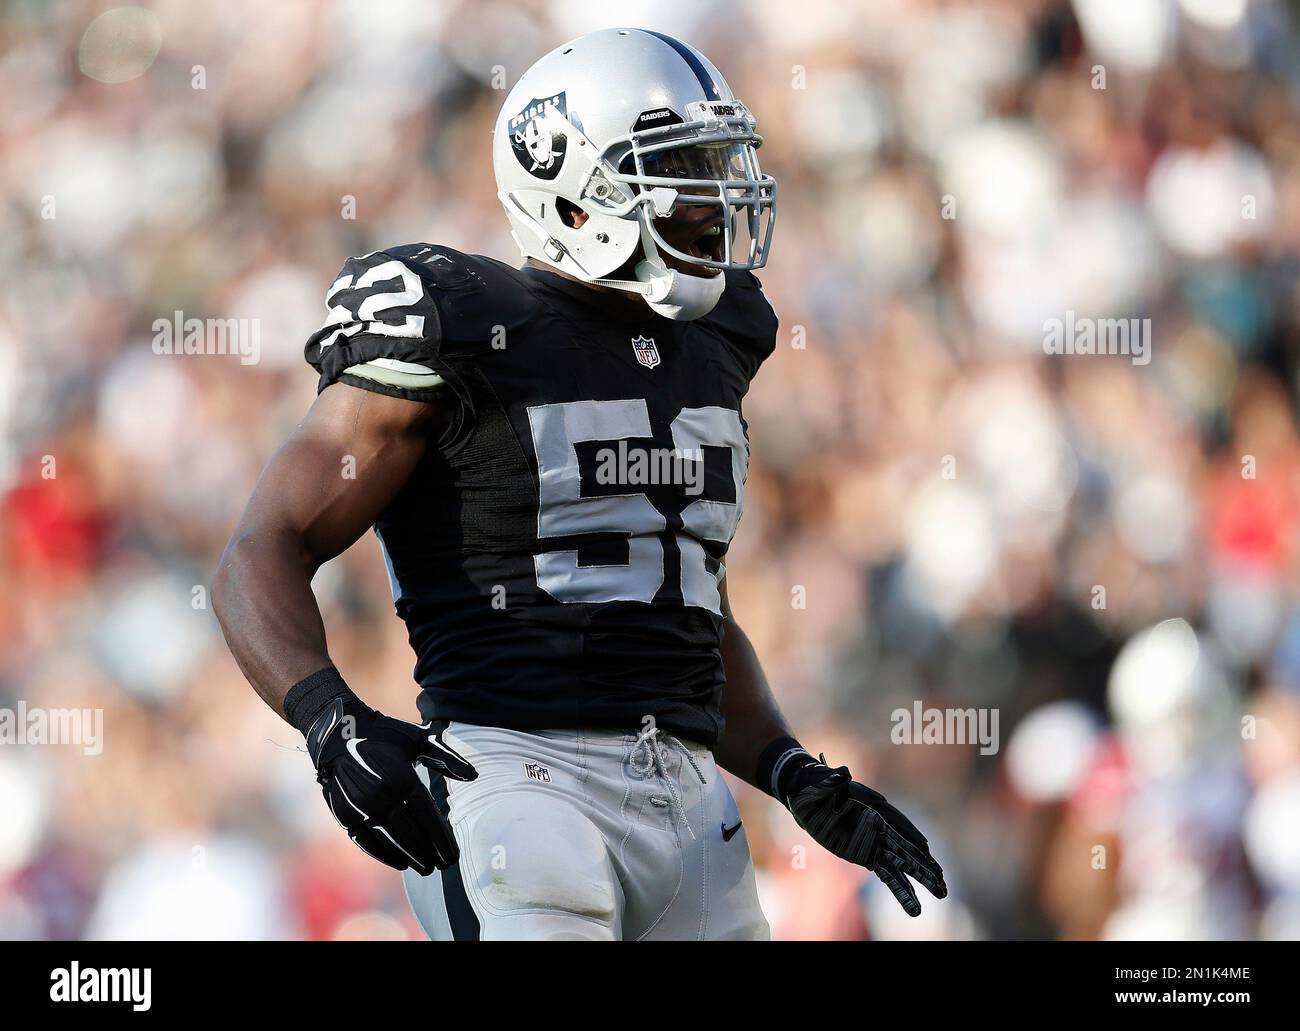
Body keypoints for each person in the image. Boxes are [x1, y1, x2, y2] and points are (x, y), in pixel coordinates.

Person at [213, 26, 945, 941]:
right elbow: (262, 547)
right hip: (518, 785)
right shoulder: (459, 322)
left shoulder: (716, 340)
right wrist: (329, 720)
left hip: (690, 801)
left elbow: (683, 608)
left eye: (718, 164)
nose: (717, 200)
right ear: (573, 192)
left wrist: (791, 767)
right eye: (679, 169)